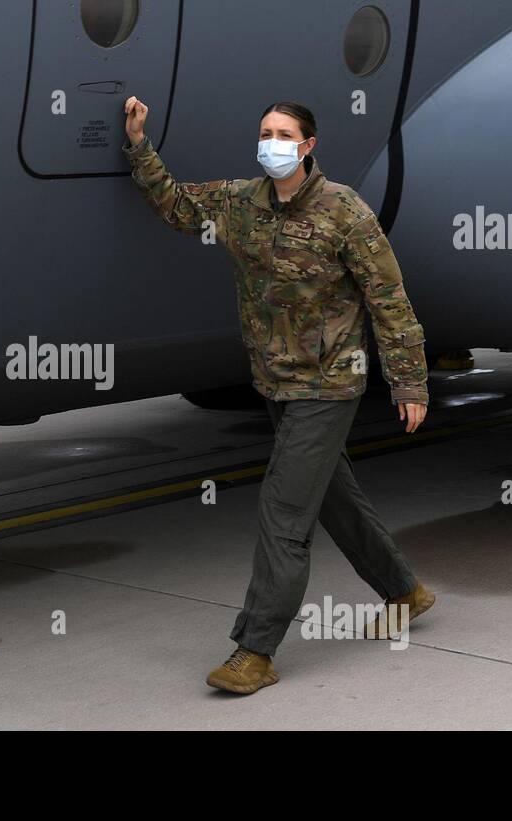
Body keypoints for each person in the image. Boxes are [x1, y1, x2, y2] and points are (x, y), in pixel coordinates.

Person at [121, 97, 436, 695]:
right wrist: (139, 146)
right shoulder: (241, 202)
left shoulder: (345, 212)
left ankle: (255, 651)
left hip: (330, 383)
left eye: (285, 134)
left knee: (285, 508)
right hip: (275, 380)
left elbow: (389, 301)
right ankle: (405, 590)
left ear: (308, 145)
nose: (272, 142)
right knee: (333, 497)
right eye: (265, 131)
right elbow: (179, 206)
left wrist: (409, 381)